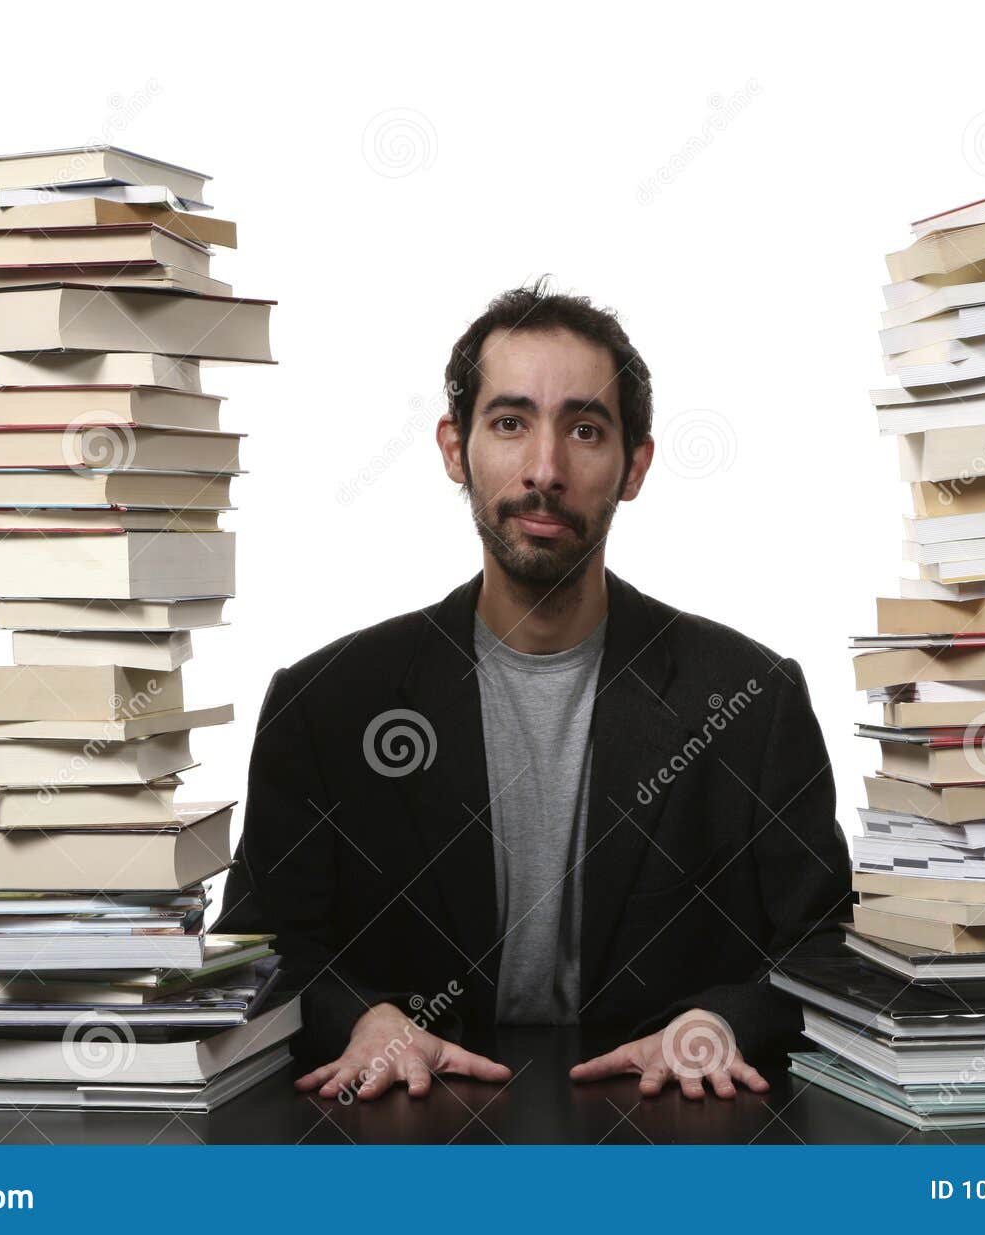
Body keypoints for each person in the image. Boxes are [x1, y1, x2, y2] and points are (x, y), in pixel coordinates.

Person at [216, 280, 852, 1102]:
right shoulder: (326, 702)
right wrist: (361, 1018)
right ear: (455, 448)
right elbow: (259, 946)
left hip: (669, 1131)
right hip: (406, 1129)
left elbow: (822, 948)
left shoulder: (750, 699)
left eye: (585, 429)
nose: (545, 469)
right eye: (510, 422)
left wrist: (721, 1020)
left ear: (635, 465)